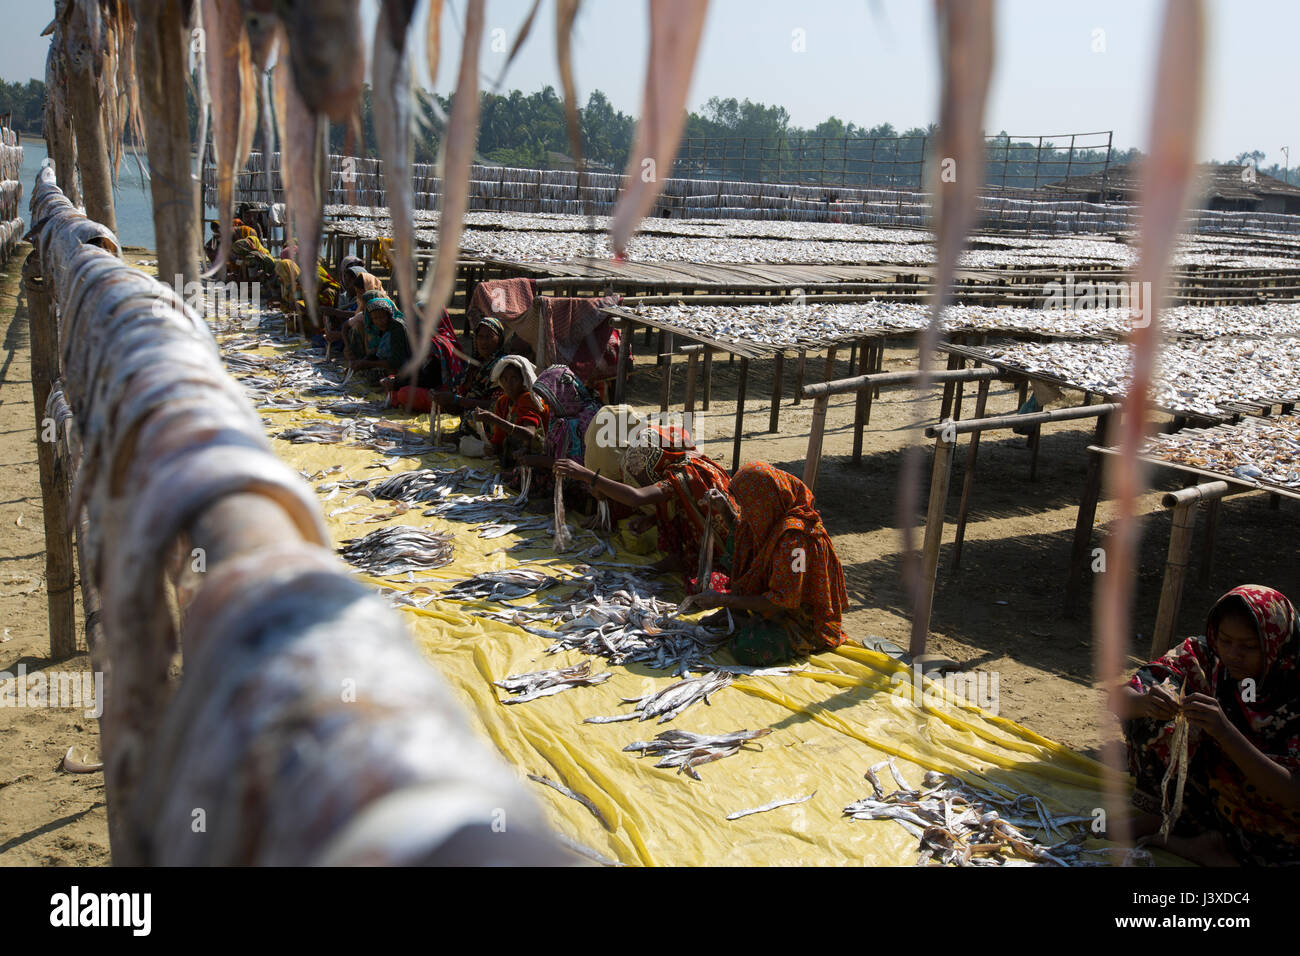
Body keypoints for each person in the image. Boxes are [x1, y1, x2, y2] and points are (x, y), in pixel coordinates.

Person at [1110, 585, 1300, 866]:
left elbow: (1294, 792)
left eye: (1249, 646)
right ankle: (1169, 816)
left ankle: (1225, 848)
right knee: (1152, 717)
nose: (1234, 654)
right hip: (1214, 798)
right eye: (1225, 640)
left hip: (1277, 816)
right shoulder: (1206, 657)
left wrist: (1225, 732)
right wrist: (1146, 703)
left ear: (1276, 643)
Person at [689, 462, 848, 665]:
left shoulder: (795, 542)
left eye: (747, 504)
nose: (744, 510)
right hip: (776, 606)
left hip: (800, 619)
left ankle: (745, 623)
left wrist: (723, 600)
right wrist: (724, 508)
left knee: (749, 648)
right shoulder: (770, 517)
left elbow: (782, 601)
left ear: (764, 500)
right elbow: (741, 535)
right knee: (737, 541)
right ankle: (743, 619)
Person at [553, 419, 733, 590]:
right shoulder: (682, 465)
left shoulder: (685, 476)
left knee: (703, 587)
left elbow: (636, 497)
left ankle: (692, 561)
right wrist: (652, 519)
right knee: (663, 508)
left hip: (727, 549)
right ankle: (677, 558)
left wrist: (587, 475)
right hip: (703, 531)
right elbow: (681, 504)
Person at [433, 316, 509, 436]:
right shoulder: (474, 366)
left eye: (489, 337)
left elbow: (497, 405)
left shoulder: (503, 366)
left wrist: (457, 400)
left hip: (497, 419)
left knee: (473, 416)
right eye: (480, 337)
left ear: (499, 340)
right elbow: (461, 399)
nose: (484, 342)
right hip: (471, 414)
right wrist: (446, 401)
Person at [468, 356, 548, 469]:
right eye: (505, 379)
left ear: (523, 380)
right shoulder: (503, 402)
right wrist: (493, 448)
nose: (508, 384)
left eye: (514, 379)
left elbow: (530, 434)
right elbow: (499, 438)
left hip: (537, 455)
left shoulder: (529, 399)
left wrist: (494, 419)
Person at [348, 292, 412, 380]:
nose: (379, 322)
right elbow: (376, 351)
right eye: (375, 318)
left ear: (389, 315)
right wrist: (363, 361)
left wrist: (367, 364)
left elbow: (396, 361)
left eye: (382, 317)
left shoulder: (397, 327)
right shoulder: (381, 329)